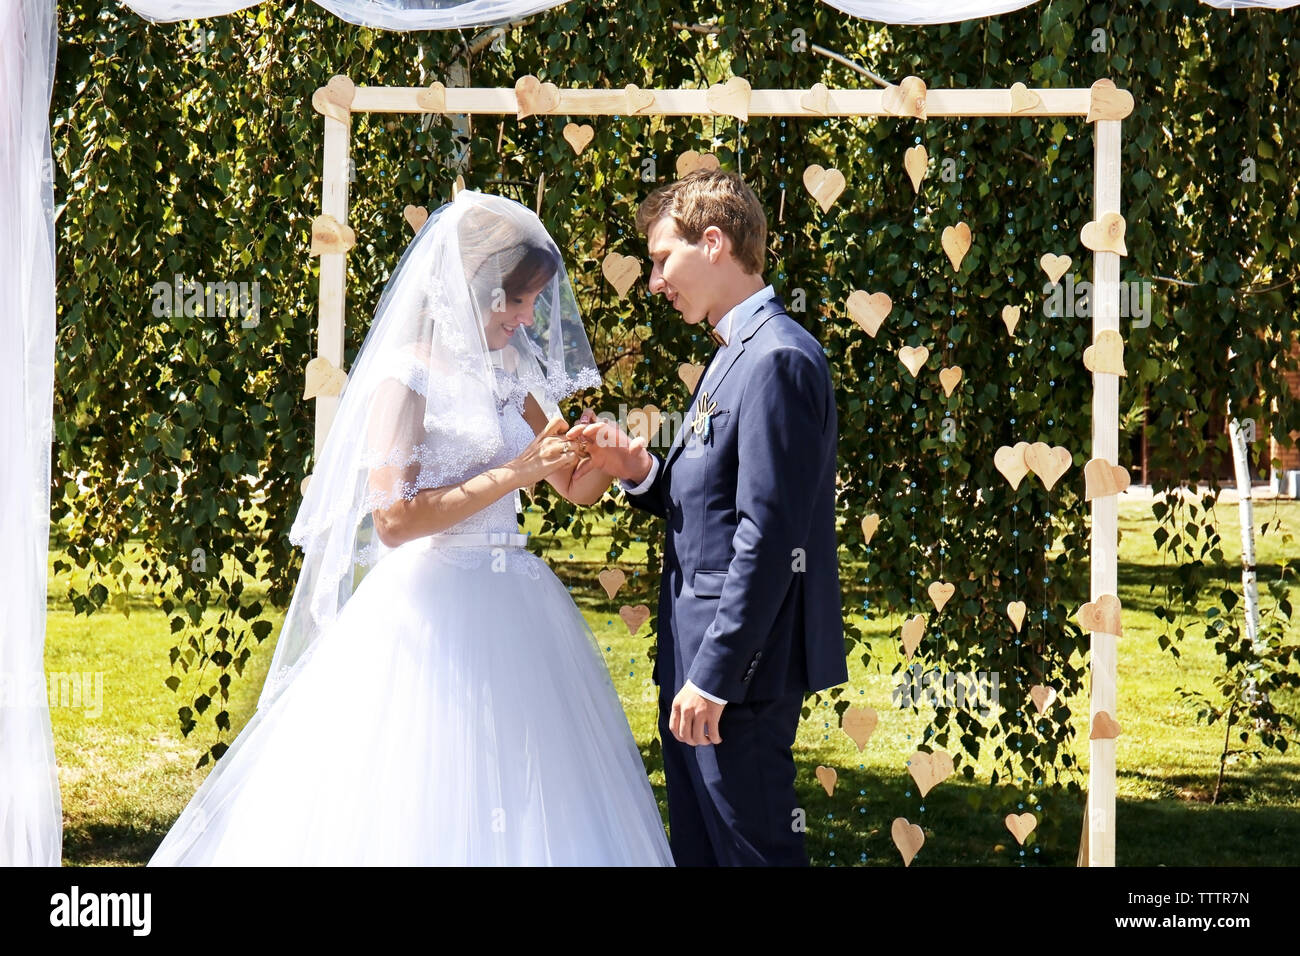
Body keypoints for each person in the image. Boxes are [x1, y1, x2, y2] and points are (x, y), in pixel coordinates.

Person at [149, 190, 673, 866]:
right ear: (472, 290)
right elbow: (394, 520)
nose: (527, 317)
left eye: (535, 300)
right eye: (517, 301)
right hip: (430, 603)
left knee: (525, 780)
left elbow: (570, 486)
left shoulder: (517, 373)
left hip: (515, 599)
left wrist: (607, 457)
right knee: (424, 773)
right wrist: (517, 472)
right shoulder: (407, 378)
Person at [566, 169, 847, 866]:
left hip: (736, 680)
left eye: (664, 259)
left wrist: (716, 676)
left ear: (714, 242)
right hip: (700, 671)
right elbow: (713, 509)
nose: (656, 281)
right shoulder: (731, 358)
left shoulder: (777, 360)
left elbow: (768, 538)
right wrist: (637, 471)